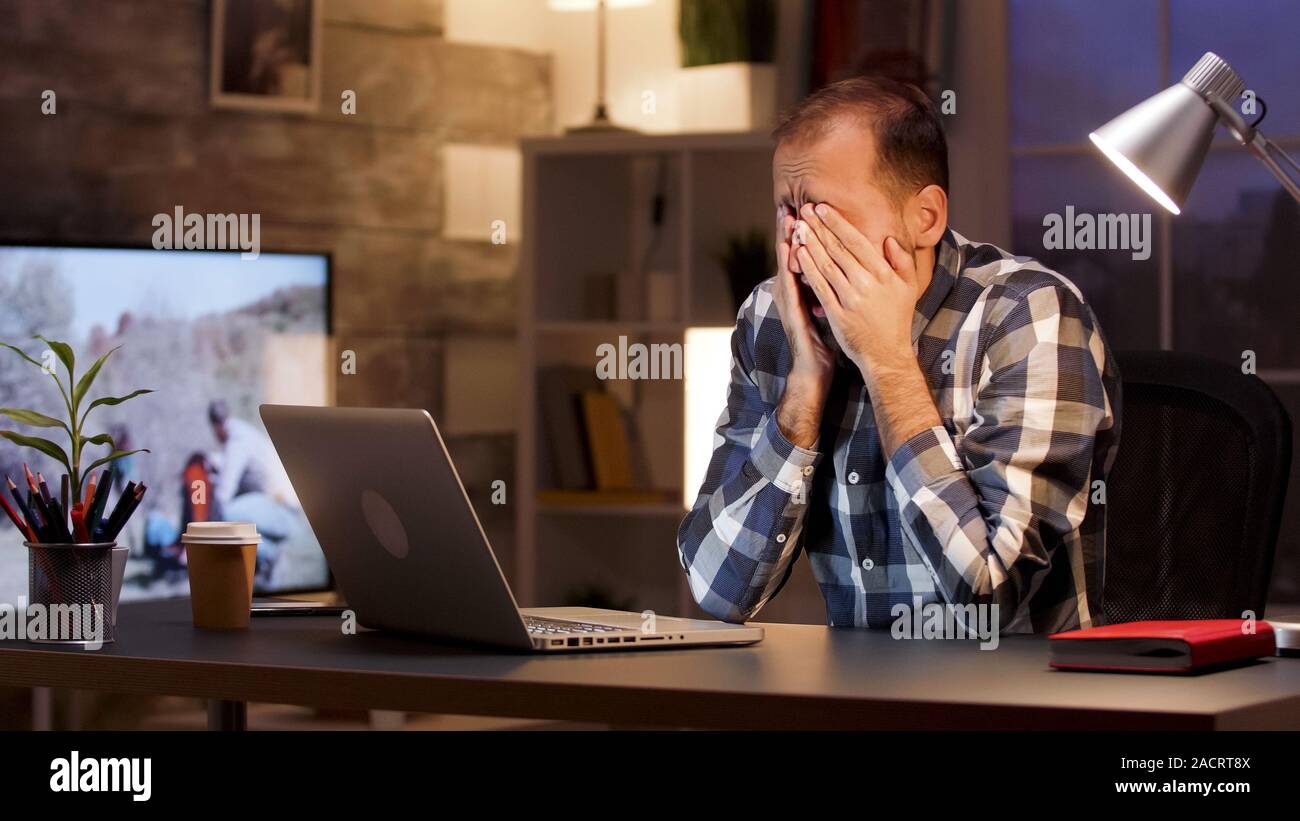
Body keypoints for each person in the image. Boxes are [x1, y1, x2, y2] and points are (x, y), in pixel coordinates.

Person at [677, 76, 1121, 634]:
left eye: (823, 217)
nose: (798, 249)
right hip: (859, 705)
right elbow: (719, 592)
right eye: (787, 215)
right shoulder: (773, 320)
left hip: (1019, 703)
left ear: (925, 218)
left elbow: (988, 600)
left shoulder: (1028, 315)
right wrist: (804, 387)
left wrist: (887, 364)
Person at [208, 400, 299, 584]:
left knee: (226, 514)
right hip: (281, 508)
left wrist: (207, 529)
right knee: (232, 512)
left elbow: (223, 493)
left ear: (216, 426)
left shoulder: (237, 441)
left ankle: (272, 555)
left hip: (285, 514)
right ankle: (264, 561)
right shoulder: (243, 431)